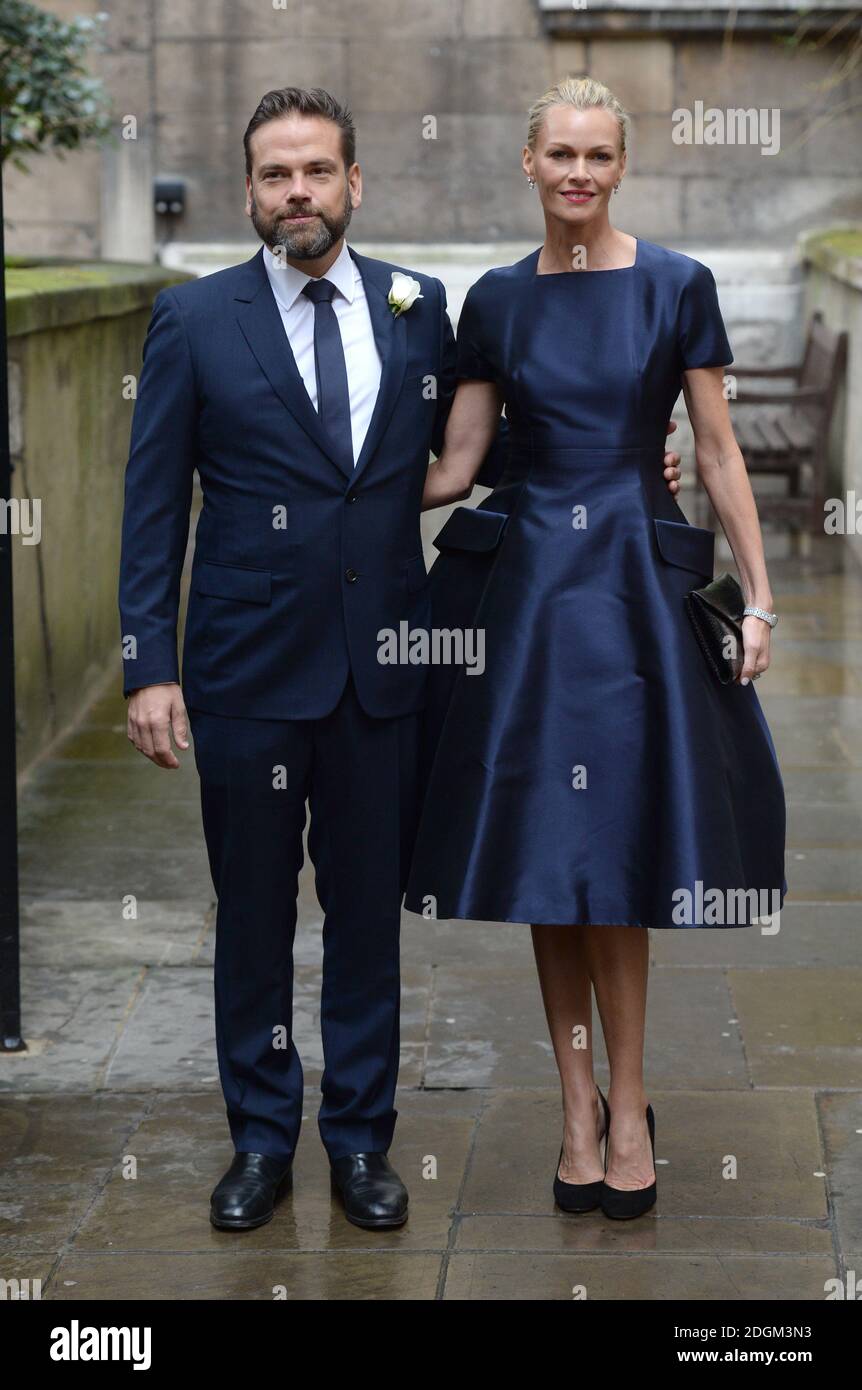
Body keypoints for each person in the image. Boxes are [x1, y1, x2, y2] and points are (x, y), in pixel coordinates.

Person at [119, 84, 683, 1233]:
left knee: (369, 918)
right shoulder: (193, 320)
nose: (298, 194)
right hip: (242, 668)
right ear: (250, 194)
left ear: (353, 184)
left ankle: (362, 1143)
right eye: (276, 175)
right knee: (254, 915)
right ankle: (261, 1140)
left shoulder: (418, 311)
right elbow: (149, 507)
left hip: (387, 665)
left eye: (317, 172)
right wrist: (148, 664)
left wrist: (627, 461)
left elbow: (483, 446)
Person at [403, 76, 787, 1221]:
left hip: (630, 592)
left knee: (618, 859)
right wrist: (317, 491)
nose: (578, 173)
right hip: (525, 602)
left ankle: (630, 1100)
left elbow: (714, 452)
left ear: (621, 166)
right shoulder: (497, 300)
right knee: (543, 858)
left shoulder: (678, 284)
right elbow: (456, 464)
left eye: (599, 156)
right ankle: (574, 1106)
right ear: (527, 162)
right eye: (560, 153)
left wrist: (758, 598)